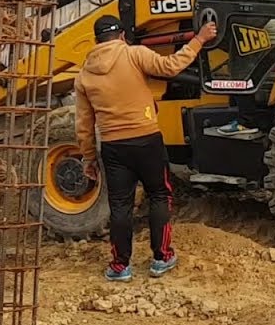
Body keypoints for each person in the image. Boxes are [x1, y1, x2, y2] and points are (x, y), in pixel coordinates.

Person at [75, 15, 217, 281]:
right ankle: (161, 258)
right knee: (159, 196)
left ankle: (120, 266)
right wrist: (199, 39)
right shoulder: (134, 54)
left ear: (97, 41)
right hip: (146, 139)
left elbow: (84, 123)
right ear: (121, 37)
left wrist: (88, 159)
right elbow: (171, 66)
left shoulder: (84, 75)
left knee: (120, 205)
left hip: (113, 146)